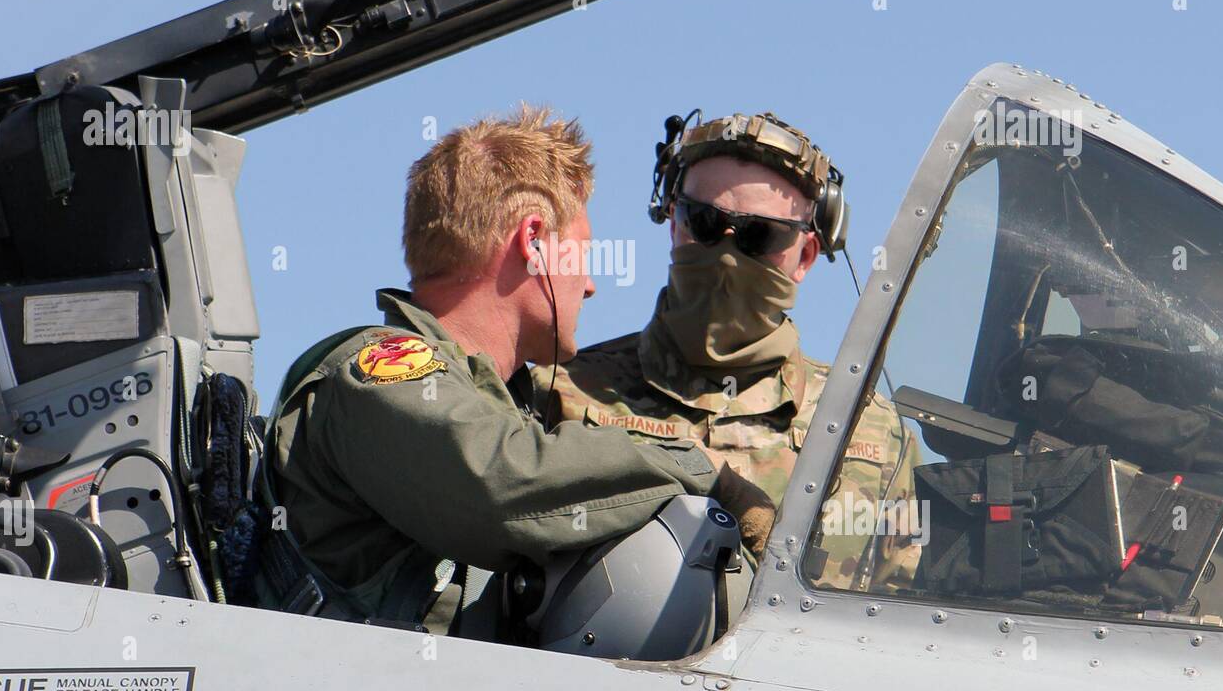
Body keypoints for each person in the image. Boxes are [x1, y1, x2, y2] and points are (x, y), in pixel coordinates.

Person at [256, 106, 774, 629]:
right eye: (581, 254)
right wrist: (698, 470)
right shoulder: (375, 370)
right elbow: (500, 484)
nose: (589, 284)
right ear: (532, 241)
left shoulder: (497, 403)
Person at [533, 112, 921, 591]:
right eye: (706, 222)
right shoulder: (560, 392)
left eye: (762, 234)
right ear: (674, 225)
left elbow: (899, 618)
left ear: (805, 256)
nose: (727, 254)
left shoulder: (875, 435)